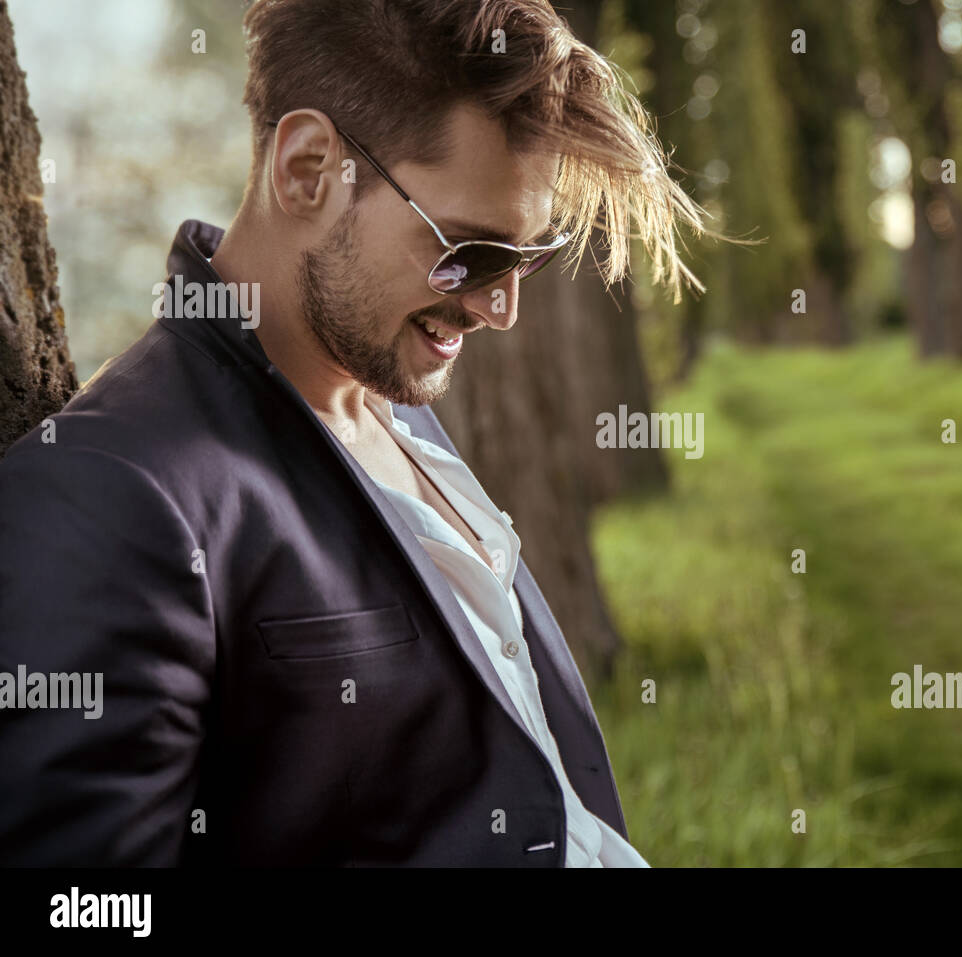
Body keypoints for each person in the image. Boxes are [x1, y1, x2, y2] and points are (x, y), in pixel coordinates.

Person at [0, 0, 713, 866]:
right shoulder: (112, 491)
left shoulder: (389, 393)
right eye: (469, 252)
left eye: (526, 257)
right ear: (307, 170)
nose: (500, 307)